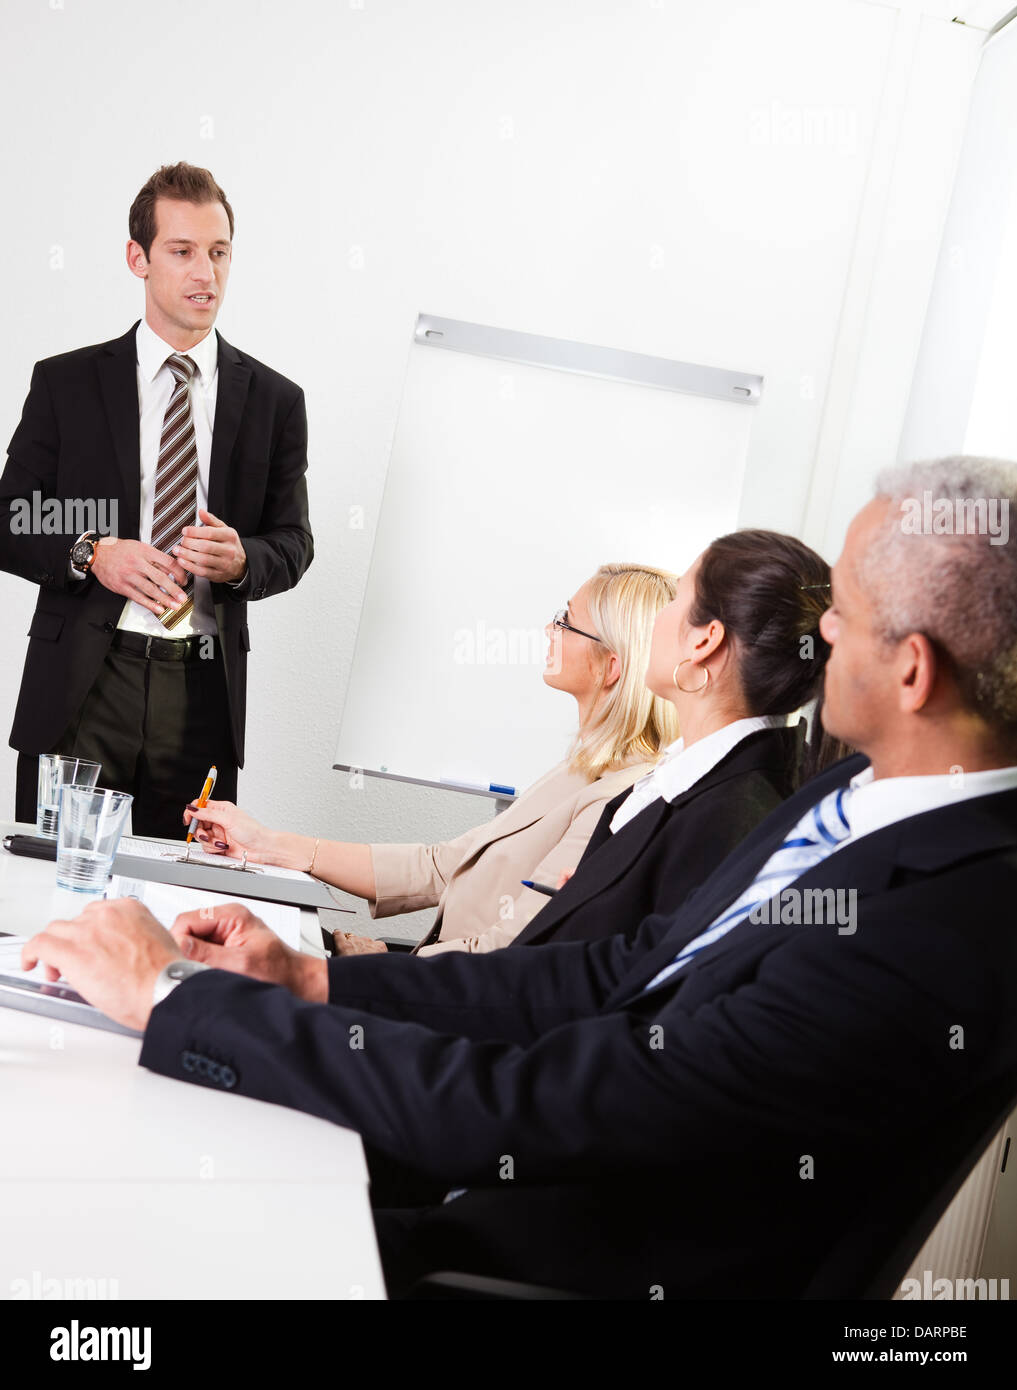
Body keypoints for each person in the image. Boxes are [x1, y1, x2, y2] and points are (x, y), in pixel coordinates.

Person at [24, 457, 1017, 1300]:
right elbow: (604, 975)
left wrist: (176, 1000)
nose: (819, 637)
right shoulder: (846, 797)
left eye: (841, 613)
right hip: (503, 1199)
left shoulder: (940, 928)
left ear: (914, 673)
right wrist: (316, 981)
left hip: (531, 1269)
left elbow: (576, 1094)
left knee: (118, 1241)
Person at [0, 162, 313, 838]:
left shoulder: (275, 402)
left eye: (219, 252)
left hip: (200, 689)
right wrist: (92, 553)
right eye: (182, 252)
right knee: (58, 900)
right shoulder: (66, 384)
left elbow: (293, 543)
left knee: (176, 906)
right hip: (84, 683)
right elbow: (9, 517)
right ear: (137, 258)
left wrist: (241, 561)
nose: (206, 273)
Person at [183, 564, 680, 953]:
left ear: (612, 666)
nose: (549, 628)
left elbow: (511, 949)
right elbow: (443, 867)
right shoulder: (582, 769)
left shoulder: (617, 800)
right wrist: (267, 844)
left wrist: (381, 971)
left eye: (567, 622)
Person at [472, 529, 835, 953]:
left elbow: (614, 988)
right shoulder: (682, 783)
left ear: (704, 640)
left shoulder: (730, 816)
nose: (656, 619)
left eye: (675, 598)